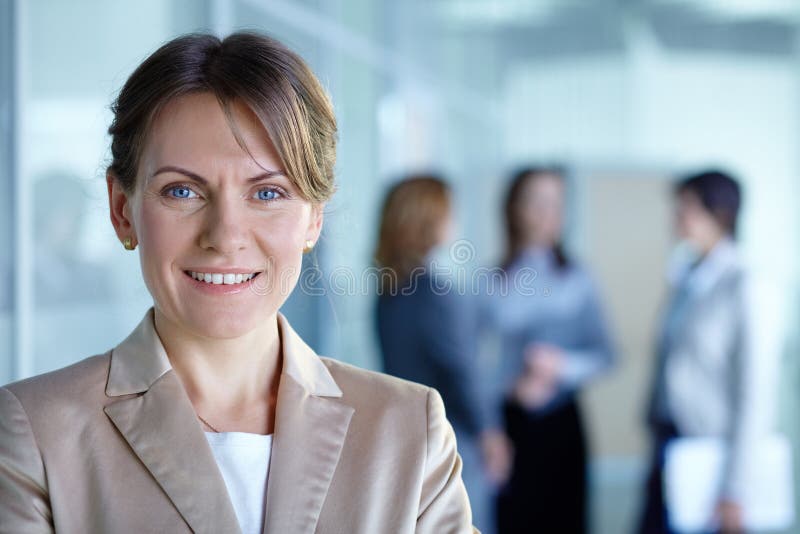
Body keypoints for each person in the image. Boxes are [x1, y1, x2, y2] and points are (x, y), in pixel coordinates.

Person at [0, 32, 475, 533]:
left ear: (314, 219)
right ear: (123, 210)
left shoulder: (408, 429)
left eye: (268, 193)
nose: (225, 237)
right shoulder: (35, 432)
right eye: (181, 191)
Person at [638, 170, 777, 534]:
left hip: (713, 456)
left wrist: (737, 488)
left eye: (687, 208)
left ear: (721, 215)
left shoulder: (745, 284)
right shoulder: (687, 278)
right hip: (670, 443)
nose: (676, 217)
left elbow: (755, 394)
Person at [374, 175, 511, 534]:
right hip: (455, 438)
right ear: (429, 219)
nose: (455, 221)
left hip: (410, 437)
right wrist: (490, 433)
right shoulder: (434, 293)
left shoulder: (389, 290)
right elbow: (461, 371)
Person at [483, 167, 616, 534]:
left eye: (557, 203)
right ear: (514, 208)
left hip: (562, 424)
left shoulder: (579, 278)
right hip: (509, 427)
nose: (548, 213)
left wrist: (562, 366)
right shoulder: (490, 281)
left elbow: (607, 355)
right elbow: (474, 364)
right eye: (537, 202)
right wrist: (509, 387)